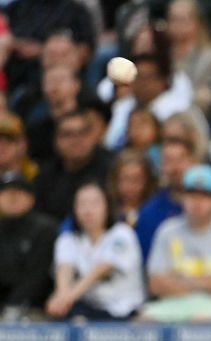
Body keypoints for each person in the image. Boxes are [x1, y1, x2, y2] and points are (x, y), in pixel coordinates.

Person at [142, 164, 211, 322]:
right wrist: (205, 283)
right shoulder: (167, 230)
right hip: (173, 304)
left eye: (205, 195)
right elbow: (156, 284)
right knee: (144, 320)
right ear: (182, 198)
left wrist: (178, 280)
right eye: (191, 194)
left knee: (201, 321)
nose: (197, 202)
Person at [46, 182, 145, 320]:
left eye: (94, 203)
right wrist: (61, 295)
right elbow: (64, 269)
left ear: (107, 207)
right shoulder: (68, 238)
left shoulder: (122, 234)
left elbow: (100, 271)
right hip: (88, 308)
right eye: (82, 204)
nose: (88, 210)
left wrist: (65, 299)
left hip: (123, 311)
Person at [32, 108, 112, 221]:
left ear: (92, 136)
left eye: (82, 133)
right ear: (56, 140)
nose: (76, 140)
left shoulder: (112, 169)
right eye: (68, 134)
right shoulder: (45, 177)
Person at [0, 171, 57, 318]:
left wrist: (13, 305)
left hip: (34, 308)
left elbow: (38, 275)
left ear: (31, 198)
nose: (12, 197)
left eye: (18, 192)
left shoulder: (45, 229)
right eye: (6, 192)